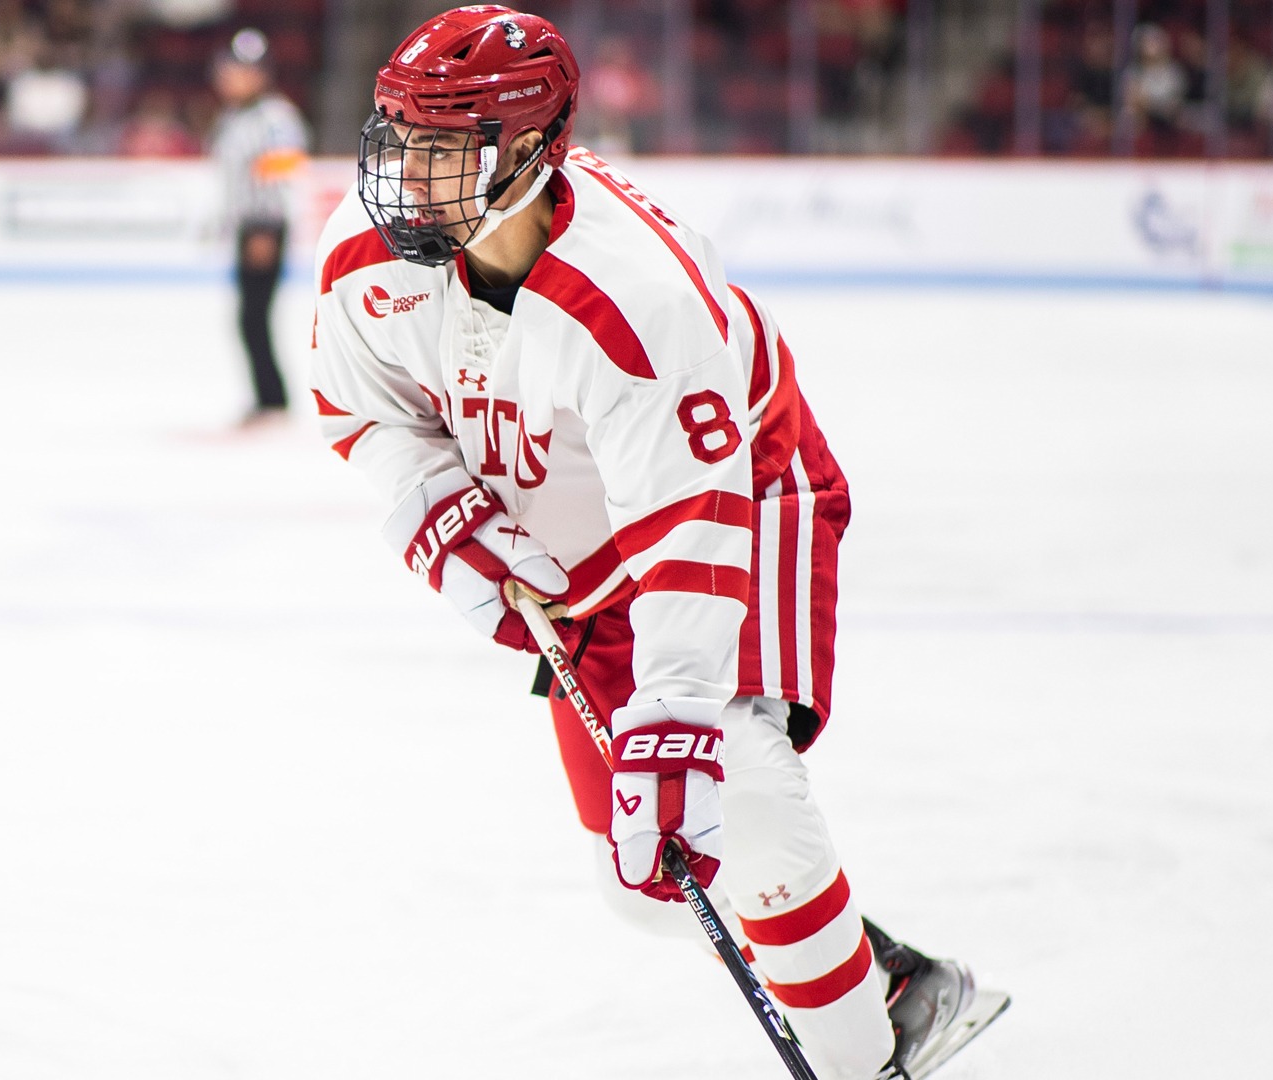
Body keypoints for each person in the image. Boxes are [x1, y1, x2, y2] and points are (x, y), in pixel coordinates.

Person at [308, 8, 1001, 1079]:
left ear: (533, 154)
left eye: (447, 147)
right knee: (649, 890)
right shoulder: (363, 257)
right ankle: (890, 978)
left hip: (741, 495)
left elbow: (690, 518)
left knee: (734, 782)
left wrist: (675, 714)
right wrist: (437, 509)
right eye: (401, 136)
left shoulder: (634, 298)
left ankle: (867, 1057)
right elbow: (364, 412)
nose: (409, 171)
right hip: (582, 546)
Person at [208, 28, 308, 427]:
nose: (227, 77)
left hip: (263, 228)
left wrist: (265, 226)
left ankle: (272, 399)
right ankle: (267, 396)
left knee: (254, 316)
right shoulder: (233, 117)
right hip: (248, 228)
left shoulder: (275, 118)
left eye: (238, 70)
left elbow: (282, 173)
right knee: (249, 316)